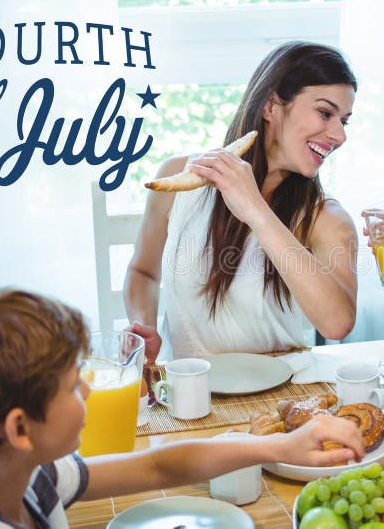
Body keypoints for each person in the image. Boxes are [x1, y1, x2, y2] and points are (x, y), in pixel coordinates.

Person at [0, 289, 364, 527]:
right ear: (20, 429)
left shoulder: (25, 474)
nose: (89, 394)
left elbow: (157, 467)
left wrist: (280, 447)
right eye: (75, 387)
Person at [125, 41, 359, 362]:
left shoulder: (326, 217)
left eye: (343, 121)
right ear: (271, 106)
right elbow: (143, 271)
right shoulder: (179, 177)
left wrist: (256, 210)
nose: (340, 136)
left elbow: (337, 323)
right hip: (191, 396)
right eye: (324, 113)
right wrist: (143, 328)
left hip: (283, 400)